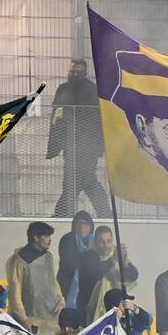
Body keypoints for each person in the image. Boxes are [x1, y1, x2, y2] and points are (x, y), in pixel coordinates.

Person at [47, 58, 109, 218]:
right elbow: (58, 111)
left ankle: (61, 213)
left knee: (78, 181)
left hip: (87, 148)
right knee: (83, 181)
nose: (74, 74)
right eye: (72, 71)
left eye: (78, 72)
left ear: (85, 73)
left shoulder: (92, 90)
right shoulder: (63, 89)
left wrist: (96, 146)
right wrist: (57, 128)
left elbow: (95, 119)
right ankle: (104, 213)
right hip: (70, 145)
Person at [6, 222, 65, 335]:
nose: (50, 239)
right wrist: (24, 320)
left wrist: (60, 299)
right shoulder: (18, 261)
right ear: (36, 237)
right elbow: (15, 293)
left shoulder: (48, 256)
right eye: (46, 236)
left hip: (51, 317)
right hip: (30, 320)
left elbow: (52, 281)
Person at [78, 227, 138, 322]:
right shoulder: (89, 255)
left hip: (115, 304)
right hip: (92, 308)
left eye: (109, 241)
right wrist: (113, 260)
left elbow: (133, 277)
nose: (106, 245)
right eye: (101, 242)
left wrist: (125, 262)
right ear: (96, 242)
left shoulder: (115, 253)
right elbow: (95, 273)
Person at [56, 212, 94, 310]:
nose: (82, 227)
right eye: (79, 223)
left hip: (90, 289)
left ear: (91, 226)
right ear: (74, 225)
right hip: (68, 285)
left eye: (85, 224)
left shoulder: (95, 241)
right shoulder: (68, 239)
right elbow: (70, 262)